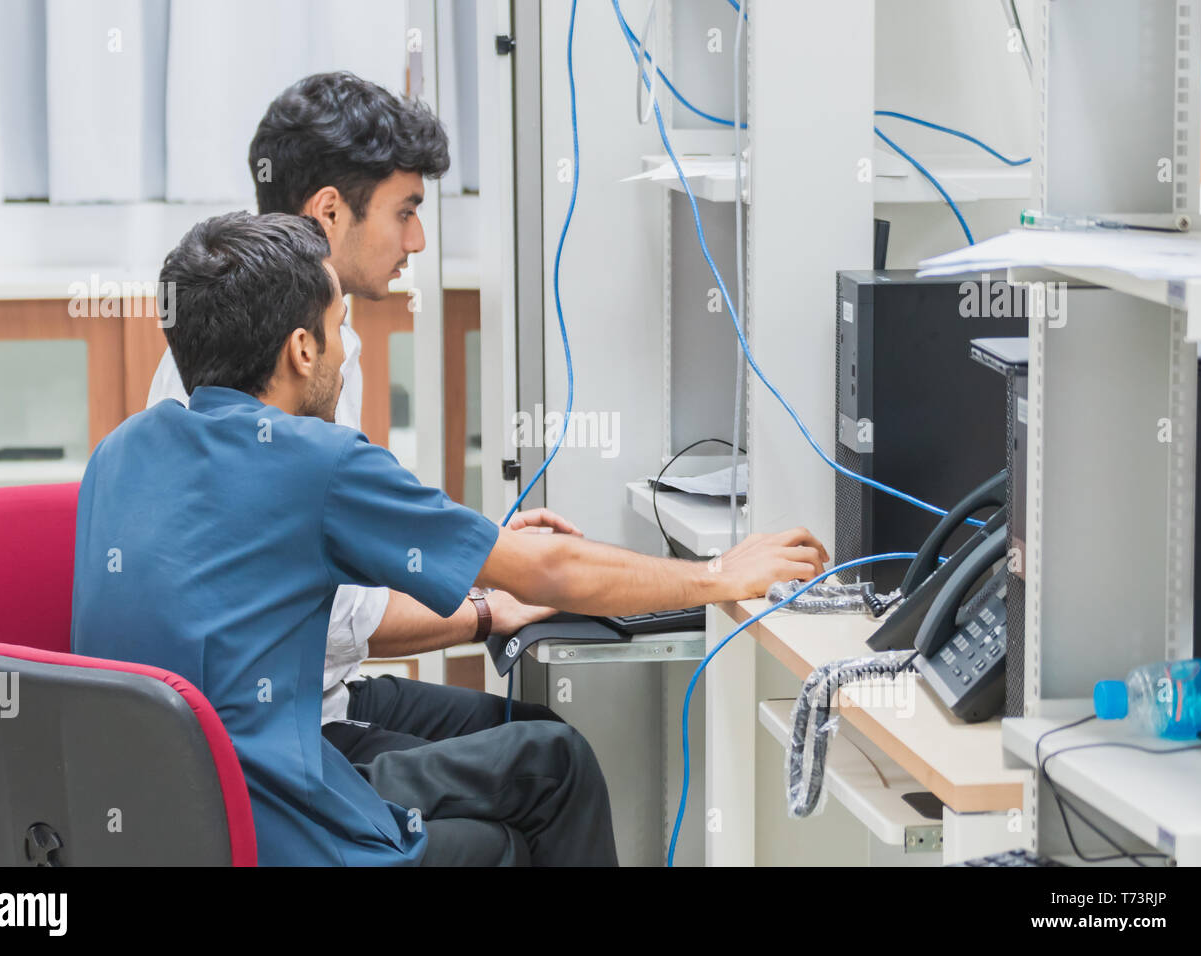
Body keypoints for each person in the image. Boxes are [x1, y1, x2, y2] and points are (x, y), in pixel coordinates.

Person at [75, 211, 830, 865]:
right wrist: (720, 573)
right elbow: (552, 571)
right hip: (273, 818)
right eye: (340, 331)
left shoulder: (122, 450)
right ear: (301, 350)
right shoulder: (313, 460)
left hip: (165, 814)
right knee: (554, 762)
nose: (345, 355)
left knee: (513, 780)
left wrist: (478, 560)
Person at [145, 72, 569, 752]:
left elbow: (334, 552)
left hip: (311, 692)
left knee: (536, 739)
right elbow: (346, 619)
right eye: (405, 212)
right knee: (546, 765)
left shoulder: (301, 336)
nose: (419, 240)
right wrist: (493, 601)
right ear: (330, 213)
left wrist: (472, 550)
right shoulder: (275, 367)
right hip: (271, 735)